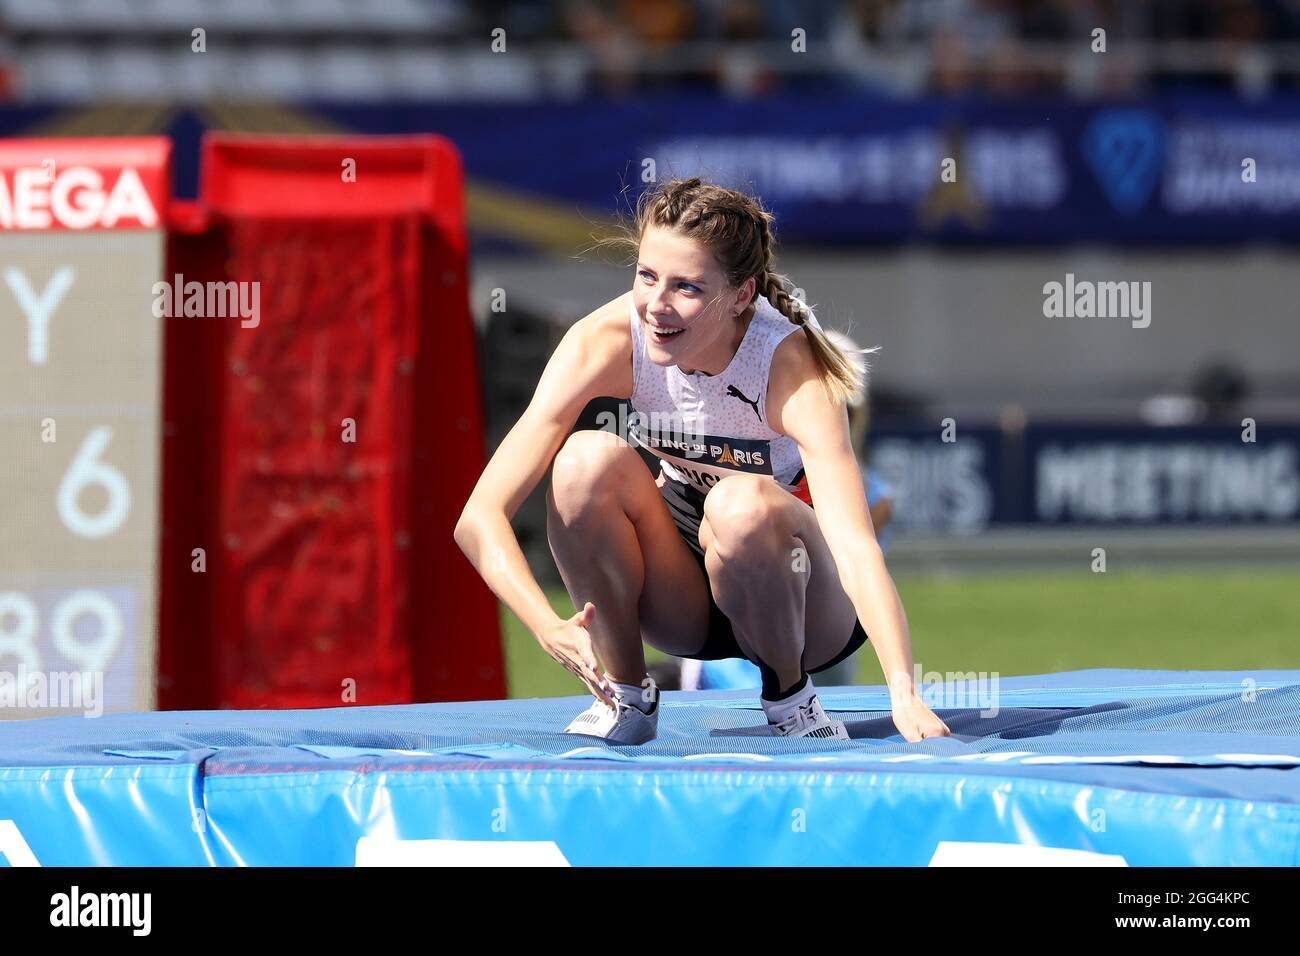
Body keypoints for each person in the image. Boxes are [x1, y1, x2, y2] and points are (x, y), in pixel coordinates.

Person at [454, 177, 950, 745]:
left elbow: (857, 547)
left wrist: (904, 696)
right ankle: (628, 696)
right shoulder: (606, 339)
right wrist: (547, 626)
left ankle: (791, 699)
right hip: (684, 600)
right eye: (646, 276)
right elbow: (479, 517)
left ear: (741, 296)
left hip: (805, 602)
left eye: (687, 288)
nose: (656, 307)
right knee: (583, 460)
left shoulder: (789, 367)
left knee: (742, 503)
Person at [681, 328, 895, 692]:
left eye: (848, 410)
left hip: (820, 648)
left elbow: (846, 558)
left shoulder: (874, 493)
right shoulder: (740, 469)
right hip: (733, 668)